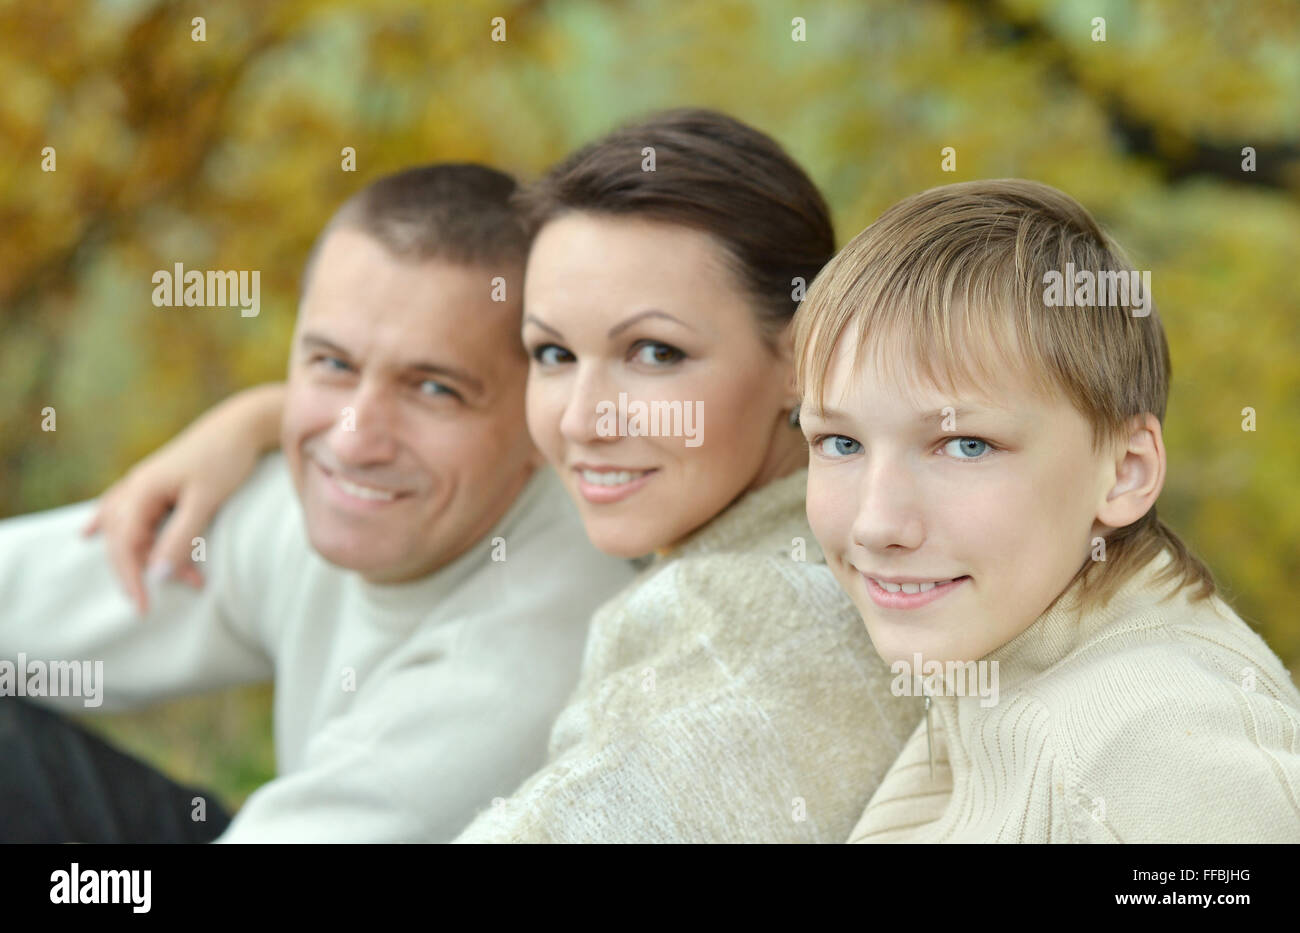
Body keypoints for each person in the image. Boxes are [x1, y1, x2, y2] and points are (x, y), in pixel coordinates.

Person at [97, 109, 923, 843]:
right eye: (554, 353)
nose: (581, 418)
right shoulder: (820, 540)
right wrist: (262, 417)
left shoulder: (748, 629)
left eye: (654, 353)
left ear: (802, 356)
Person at [0, 163, 635, 843]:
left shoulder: (522, 667)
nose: (355, 439)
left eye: (435, 390)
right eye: (333, 363)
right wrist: (254, 418)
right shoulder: (334, 496)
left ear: (545, 410)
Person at [793, 178, 1300, 842]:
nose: (877, 523)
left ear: (1125, 472)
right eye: (840, 442)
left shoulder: (1152, 754)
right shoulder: (990, 676)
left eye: (966, 445)